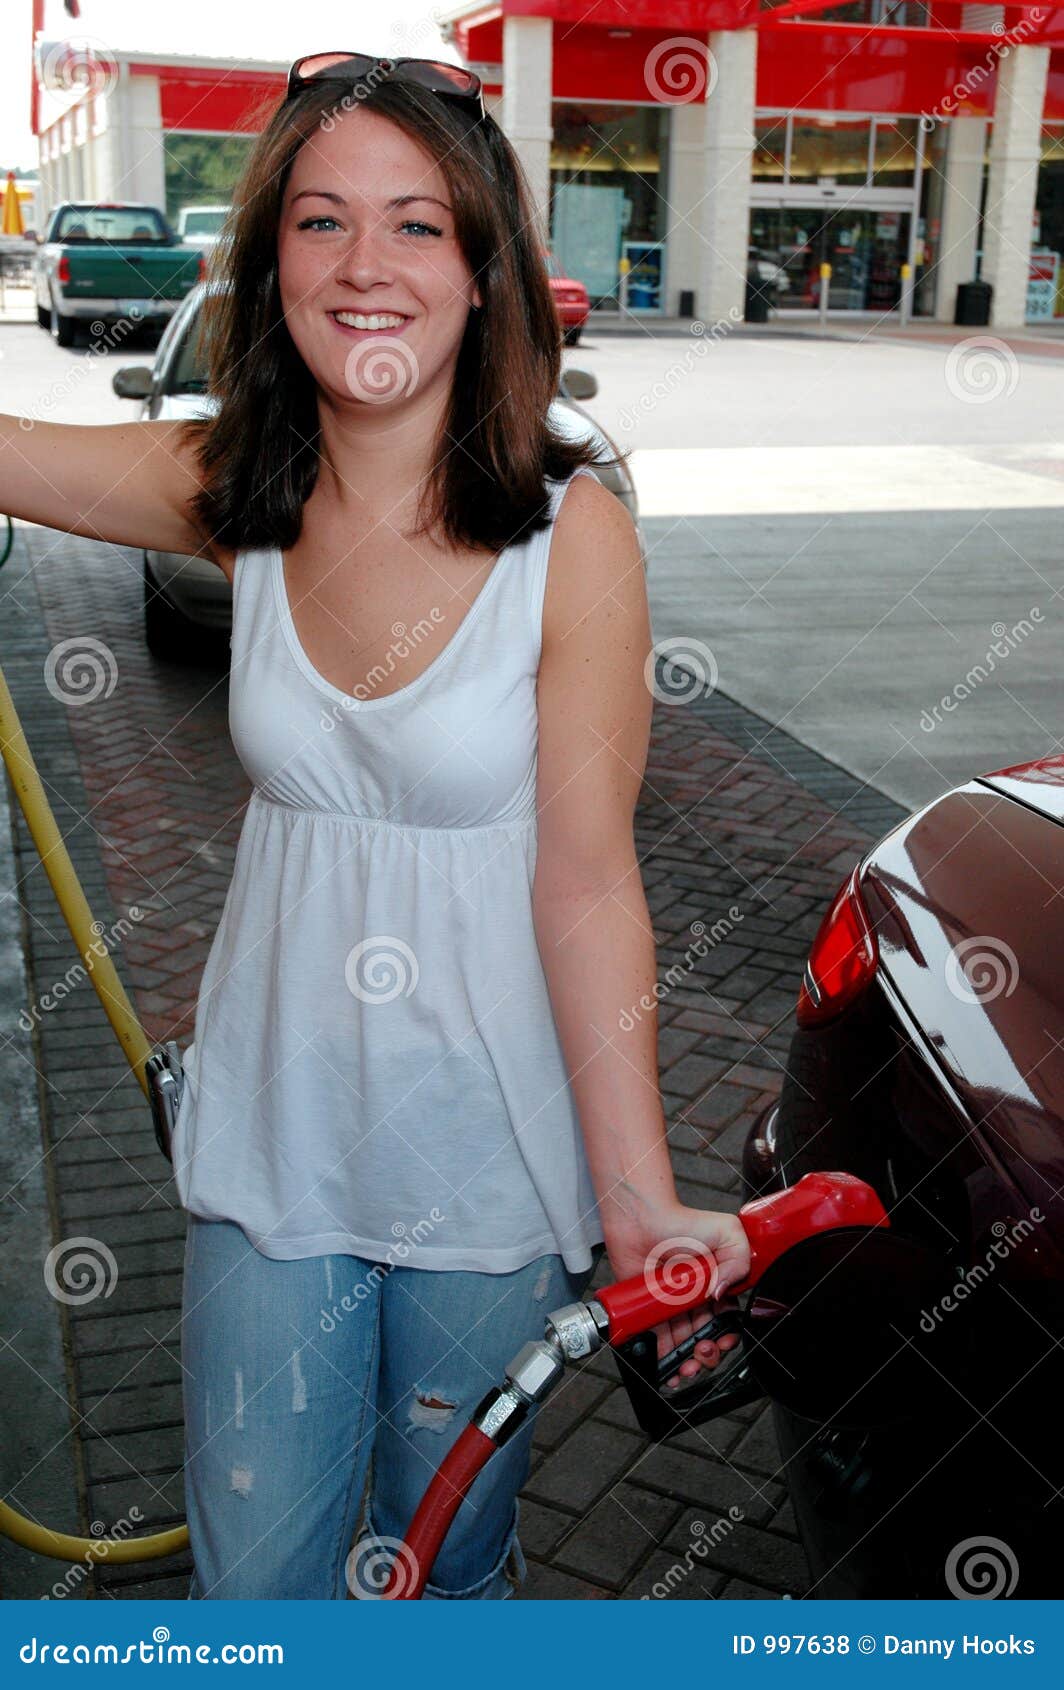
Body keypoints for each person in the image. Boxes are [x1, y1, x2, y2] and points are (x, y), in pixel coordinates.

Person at [0, 53, 751, 1600]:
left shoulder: (573, 534)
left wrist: (633, 1202)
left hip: (486, 1154)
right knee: (257, 1573)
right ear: (270, 260)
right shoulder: (238, 483)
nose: (365, 267)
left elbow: (590, 879)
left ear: (483, 272)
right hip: (275, 1127)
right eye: (322, 220)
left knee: (442, 1561)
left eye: (417, 226)